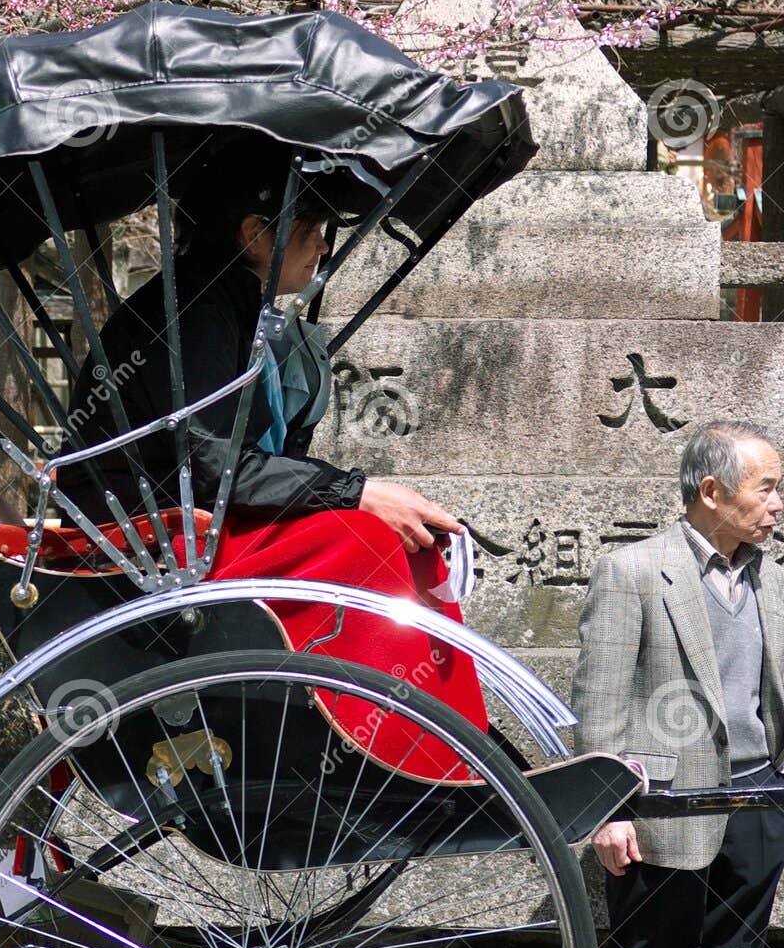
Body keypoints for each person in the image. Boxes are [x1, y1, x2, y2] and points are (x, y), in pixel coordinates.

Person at [57, 137, 487, 778]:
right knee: (363, 538)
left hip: (171, 522)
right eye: (314, 230)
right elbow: (208, 461)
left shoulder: (226, 299)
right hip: (140, 540)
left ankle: (431, 741)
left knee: (372, 530)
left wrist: (351, 489)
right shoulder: (200, 305)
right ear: (256, 233)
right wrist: (358, 492)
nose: (322, 247)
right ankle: (417, 750)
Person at [571, 421, 784, 948]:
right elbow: (599, 702)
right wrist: (608, 811)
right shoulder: (634, 570)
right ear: (713, 492)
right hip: (661, 814)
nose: (777, 504)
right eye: (765, 487)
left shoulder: (767, 575)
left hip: (755, 804)